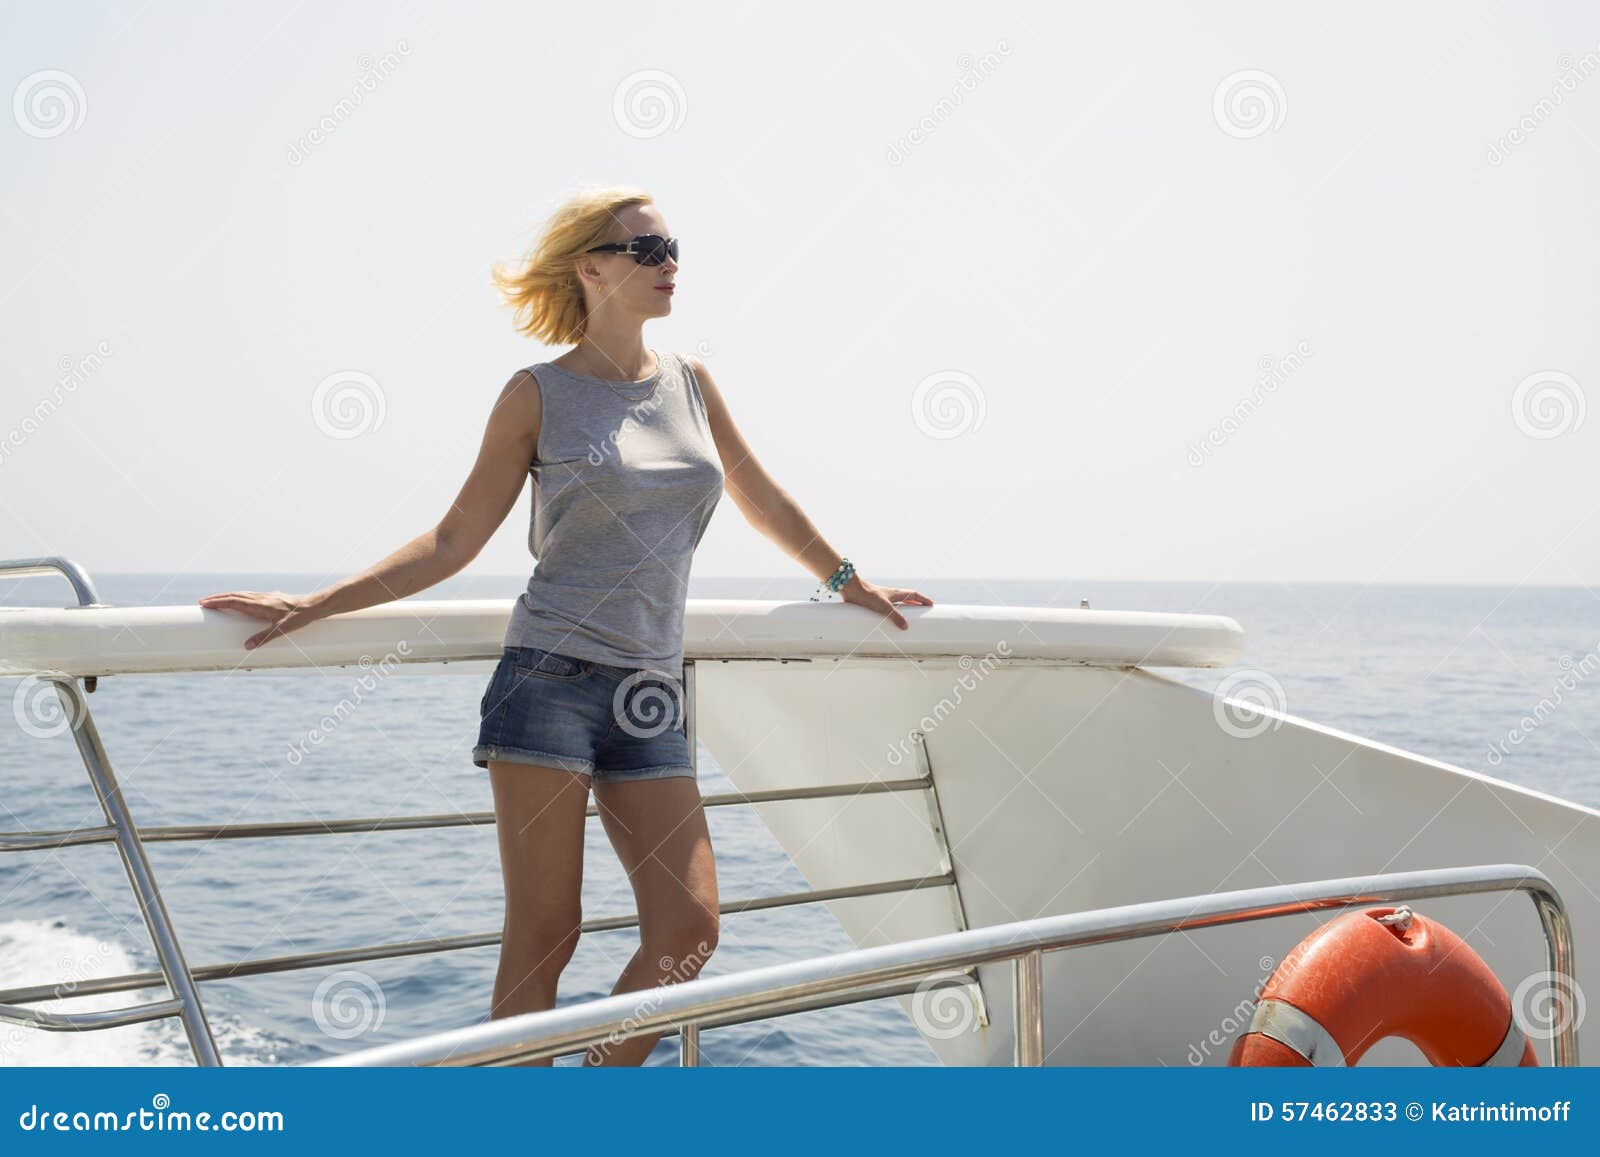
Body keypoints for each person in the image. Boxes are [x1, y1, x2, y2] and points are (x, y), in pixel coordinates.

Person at [198, 184, 933, 1065]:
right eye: (647, 250)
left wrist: (845, 578)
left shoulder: (692, 384)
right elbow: (453, 538)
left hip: (650, 695)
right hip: (548, 679)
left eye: (673, 248)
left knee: (689, 929)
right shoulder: (536, 394)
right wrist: (316, 603)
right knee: (546, 931)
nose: (670, 265)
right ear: (591, 267)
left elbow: (759, 494)